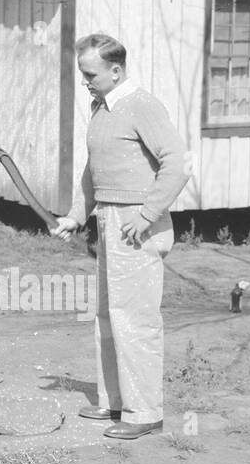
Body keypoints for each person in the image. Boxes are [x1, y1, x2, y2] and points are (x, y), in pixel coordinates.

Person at [50, 33, 193, 439]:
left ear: (116, 70)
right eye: (82, 74)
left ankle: (145, 411)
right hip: (109, 221)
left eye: (91, 74)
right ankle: (116, 402)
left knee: (136, 319)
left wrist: (147, 214)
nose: (86, 82)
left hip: (137, 226)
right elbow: (93, 171)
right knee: (110, 316)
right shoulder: (102, 107)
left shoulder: (142, 106)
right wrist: (77, 215)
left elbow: (178, 164)